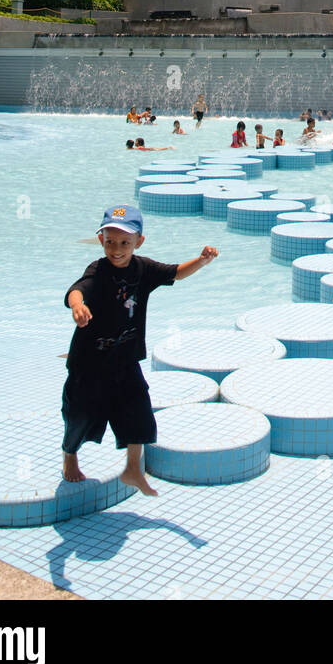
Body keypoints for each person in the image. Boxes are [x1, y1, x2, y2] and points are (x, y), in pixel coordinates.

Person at [61, 204, 218, 494]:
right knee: (80, 416)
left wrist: (201, 261)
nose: (116, 249)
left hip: (125, 359)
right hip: (89, 362)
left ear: (139, 242)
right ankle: (70, 455)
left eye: (124, 242)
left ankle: (133, 468)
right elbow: (78, 289)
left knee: (138, 413)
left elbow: (175, 273)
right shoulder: (98, 270)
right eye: (110, 242)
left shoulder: (143, 269)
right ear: (101, 240)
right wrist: (78, 306)